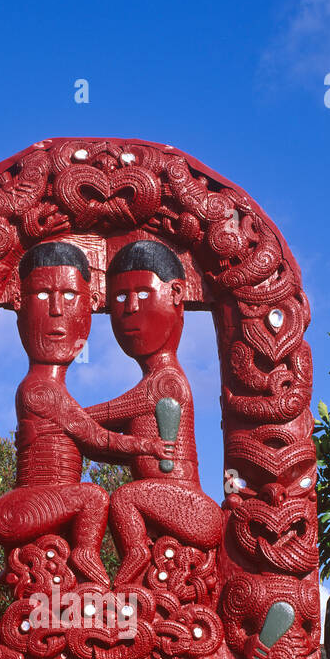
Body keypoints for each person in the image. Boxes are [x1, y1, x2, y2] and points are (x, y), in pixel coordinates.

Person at [0, 241, 168, 590]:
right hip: (20, 511)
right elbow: (93, 437)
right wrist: (146, 445)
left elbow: (88, 435)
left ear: (90, 306)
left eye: (69, 296)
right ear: (19, 305)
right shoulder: (40, 390)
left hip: (38, 508)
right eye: (43, 296)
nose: (57, 311)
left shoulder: (56, 397)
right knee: (95, 496)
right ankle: (85, 553)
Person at [74, 240, 224, 585]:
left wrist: (60, 416)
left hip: (191, 508)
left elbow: (96, 418)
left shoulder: (164, 383)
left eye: (142, 293)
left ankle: (135, 559)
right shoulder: (155, 380)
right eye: (119, 299)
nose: (129, 308)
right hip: (166, 504)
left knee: (125, 495)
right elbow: (101, 440)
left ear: (176, 293)